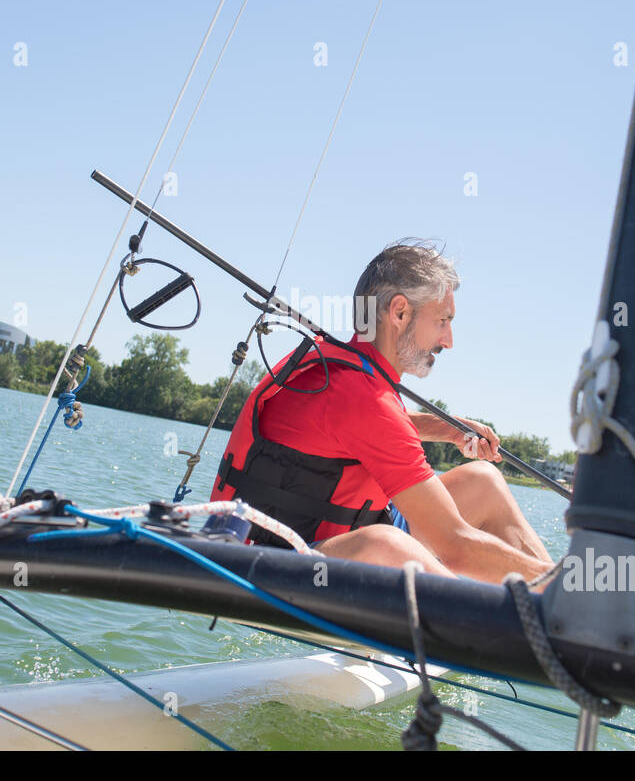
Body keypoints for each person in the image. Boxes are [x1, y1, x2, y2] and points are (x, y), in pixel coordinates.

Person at [211, 240, 553, 584]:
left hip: (351, 526)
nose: (448, 340)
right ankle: (543, 606)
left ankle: (559, 621)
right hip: (278, 562)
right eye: (443, 321)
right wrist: (567, 584)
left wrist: (447, 429)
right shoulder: (364, 398)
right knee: (387, 544)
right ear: (399, 312)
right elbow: (455, 545)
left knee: (482, 480)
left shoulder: (355, 379)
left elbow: (358, 432)